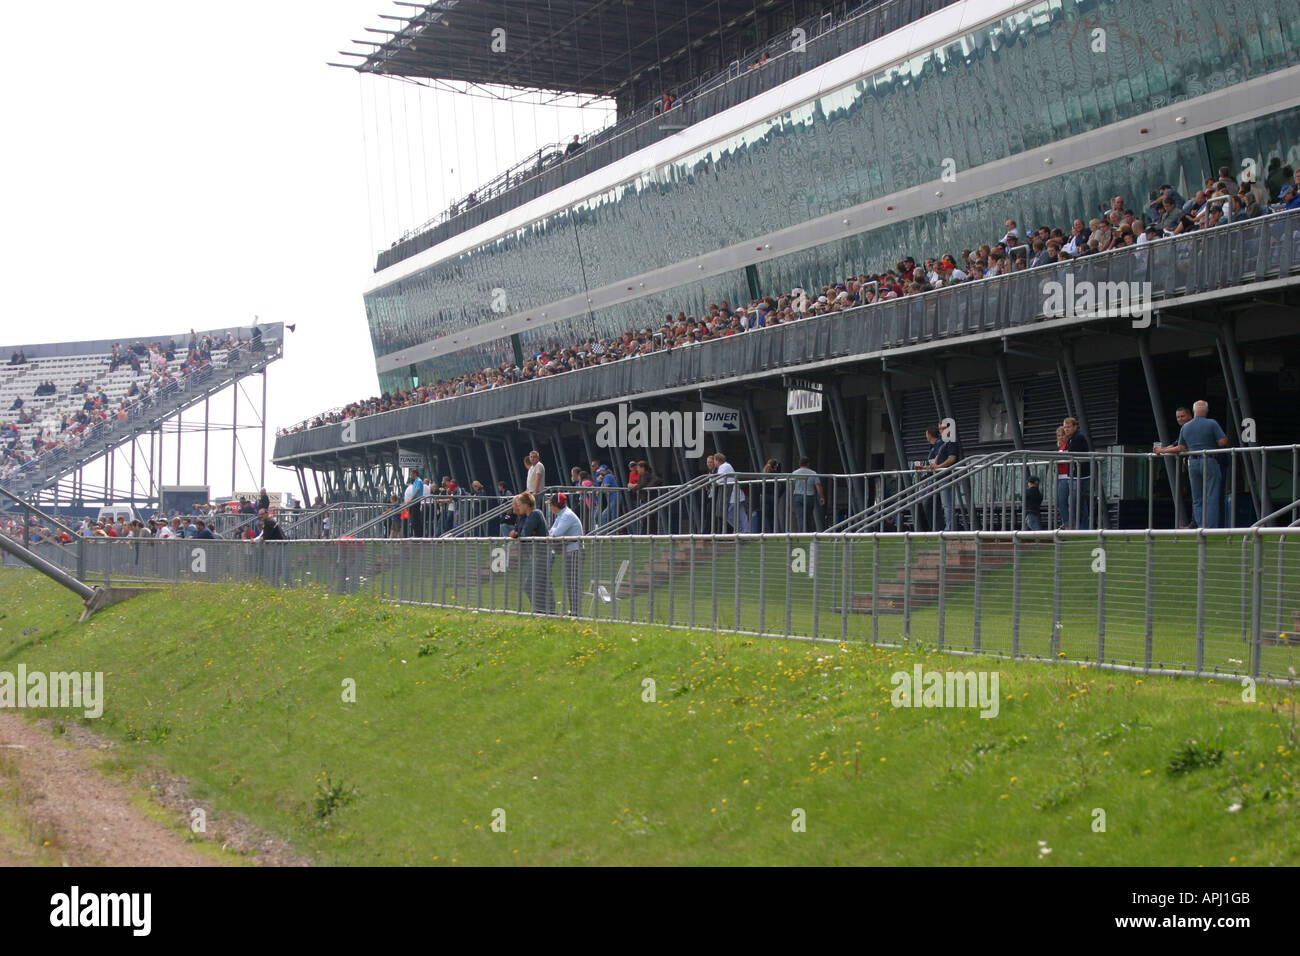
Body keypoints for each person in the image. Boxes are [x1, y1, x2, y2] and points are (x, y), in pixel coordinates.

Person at [1156, 399, 1229, 528]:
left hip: (1192, 463)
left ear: (1193, 412)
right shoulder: (1212, 423)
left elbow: (1180, 447)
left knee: (1197, 498)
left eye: (1182, 416)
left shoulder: (1186, 427)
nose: (1180, 419)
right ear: (1206, 411)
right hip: (1209, 460)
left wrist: (1161, 450)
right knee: (1211, 496)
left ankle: (1200, 527)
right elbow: (1223, 442)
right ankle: (1210, 528)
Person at [509, 492, 553, 614]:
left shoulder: (535, 514)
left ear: (526, 505)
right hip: (535, 556)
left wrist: (520, 535)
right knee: (539, 585)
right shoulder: (528, 516)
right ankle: (543, 611)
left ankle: (543, 611)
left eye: (519, 504)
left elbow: (524, 534)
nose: (517, 507)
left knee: (532, 585)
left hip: (541, 555)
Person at [916, 424, 959, 531]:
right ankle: (938, 529)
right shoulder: (942, 444)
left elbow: (952, 458)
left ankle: (949, 529)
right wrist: (926, 468)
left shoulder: (950, 442)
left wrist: (938, 467)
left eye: (943, 428)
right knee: (928, 503)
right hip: (936, 478)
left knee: (947, 505)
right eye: (940, 429)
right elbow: (935, 461)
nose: (940, 431)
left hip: (945, 477)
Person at [548, 493, 584, 616]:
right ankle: (574, 611)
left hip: (574, 551)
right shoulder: (561, 515)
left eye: (551, 505)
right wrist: (553, 534)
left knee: (573, 582)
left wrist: (553, 534)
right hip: (570, 551)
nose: (550, 507)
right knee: (570, 582)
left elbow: (555, 534)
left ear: (556, 505)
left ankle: (576, 612)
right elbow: (550, 532)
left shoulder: (566, 515)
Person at [1062, 416, 1092, 529]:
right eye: (1065, 427)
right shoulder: (1070, 438)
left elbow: (1073, 452)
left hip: (1081, 475)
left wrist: (1065, 453)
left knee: (1075, 501)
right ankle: (1082, 527)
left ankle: (1079, 527)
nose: (1066, 429)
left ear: (1075, 427)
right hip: (1075, 475)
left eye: (1068, 427)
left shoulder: (1079, 437)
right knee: (1080, 502)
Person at [713, 452, 750, 533]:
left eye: (714, 460)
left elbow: (719, 480)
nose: (714, 463)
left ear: (718, 460)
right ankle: (745, 531)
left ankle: (740, 529)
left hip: (733, 495)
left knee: (727, 513)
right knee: (742, 514)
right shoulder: (727, 465)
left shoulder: (723, 466)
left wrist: (713, 483)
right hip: (735, 494)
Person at [790, 457, 824, 532]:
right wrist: (821, 497)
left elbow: (792, 484)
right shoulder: (813, 473)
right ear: (808, 464)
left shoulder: (794, 473)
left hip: (798, 496)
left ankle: (802, 532)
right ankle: (808, 532)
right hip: (809, 496)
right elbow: (818, 486)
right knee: (808, 516)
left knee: (800, 517)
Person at [403, 469, 425, 537]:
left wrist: (411, 499)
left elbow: (417, 491)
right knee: (413, 519)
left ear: (415, 473)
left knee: (415, 519)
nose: (410, 475)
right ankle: (416, 534)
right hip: (413, 501)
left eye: (411, 474)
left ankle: (418, 535)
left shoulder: (418, 481)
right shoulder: (415, 481)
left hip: (416, 500)